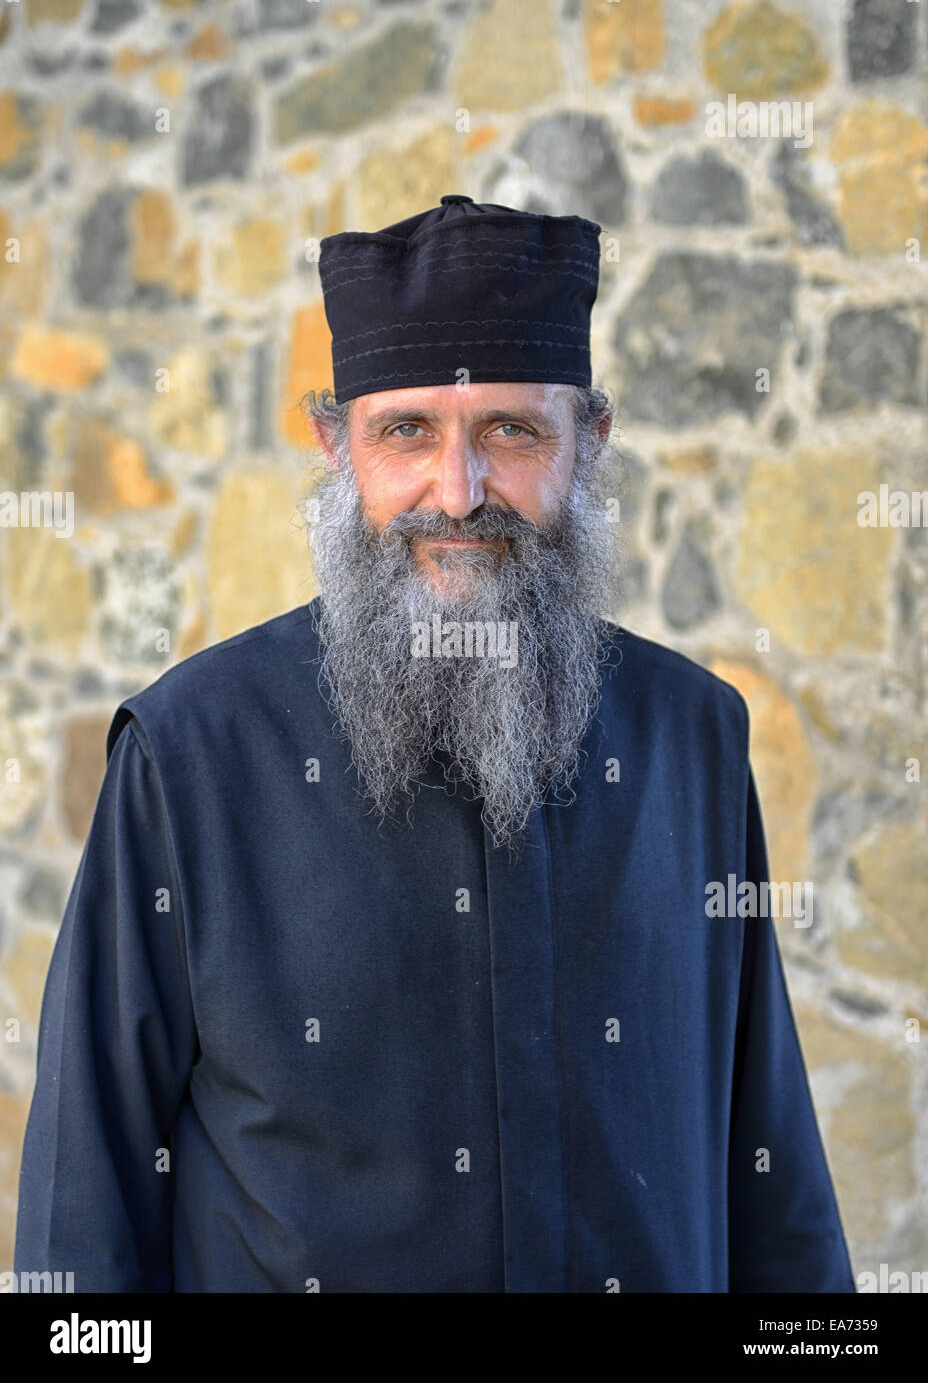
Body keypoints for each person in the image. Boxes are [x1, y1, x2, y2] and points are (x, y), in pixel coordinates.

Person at [14, 195, 855, 1293]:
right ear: (336, 445)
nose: (457, 494)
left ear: (588, 444)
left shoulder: (690, 737)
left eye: (512, 430)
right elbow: (85, 1206)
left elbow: (767, 1160)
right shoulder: (191, 757)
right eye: (405, 430)